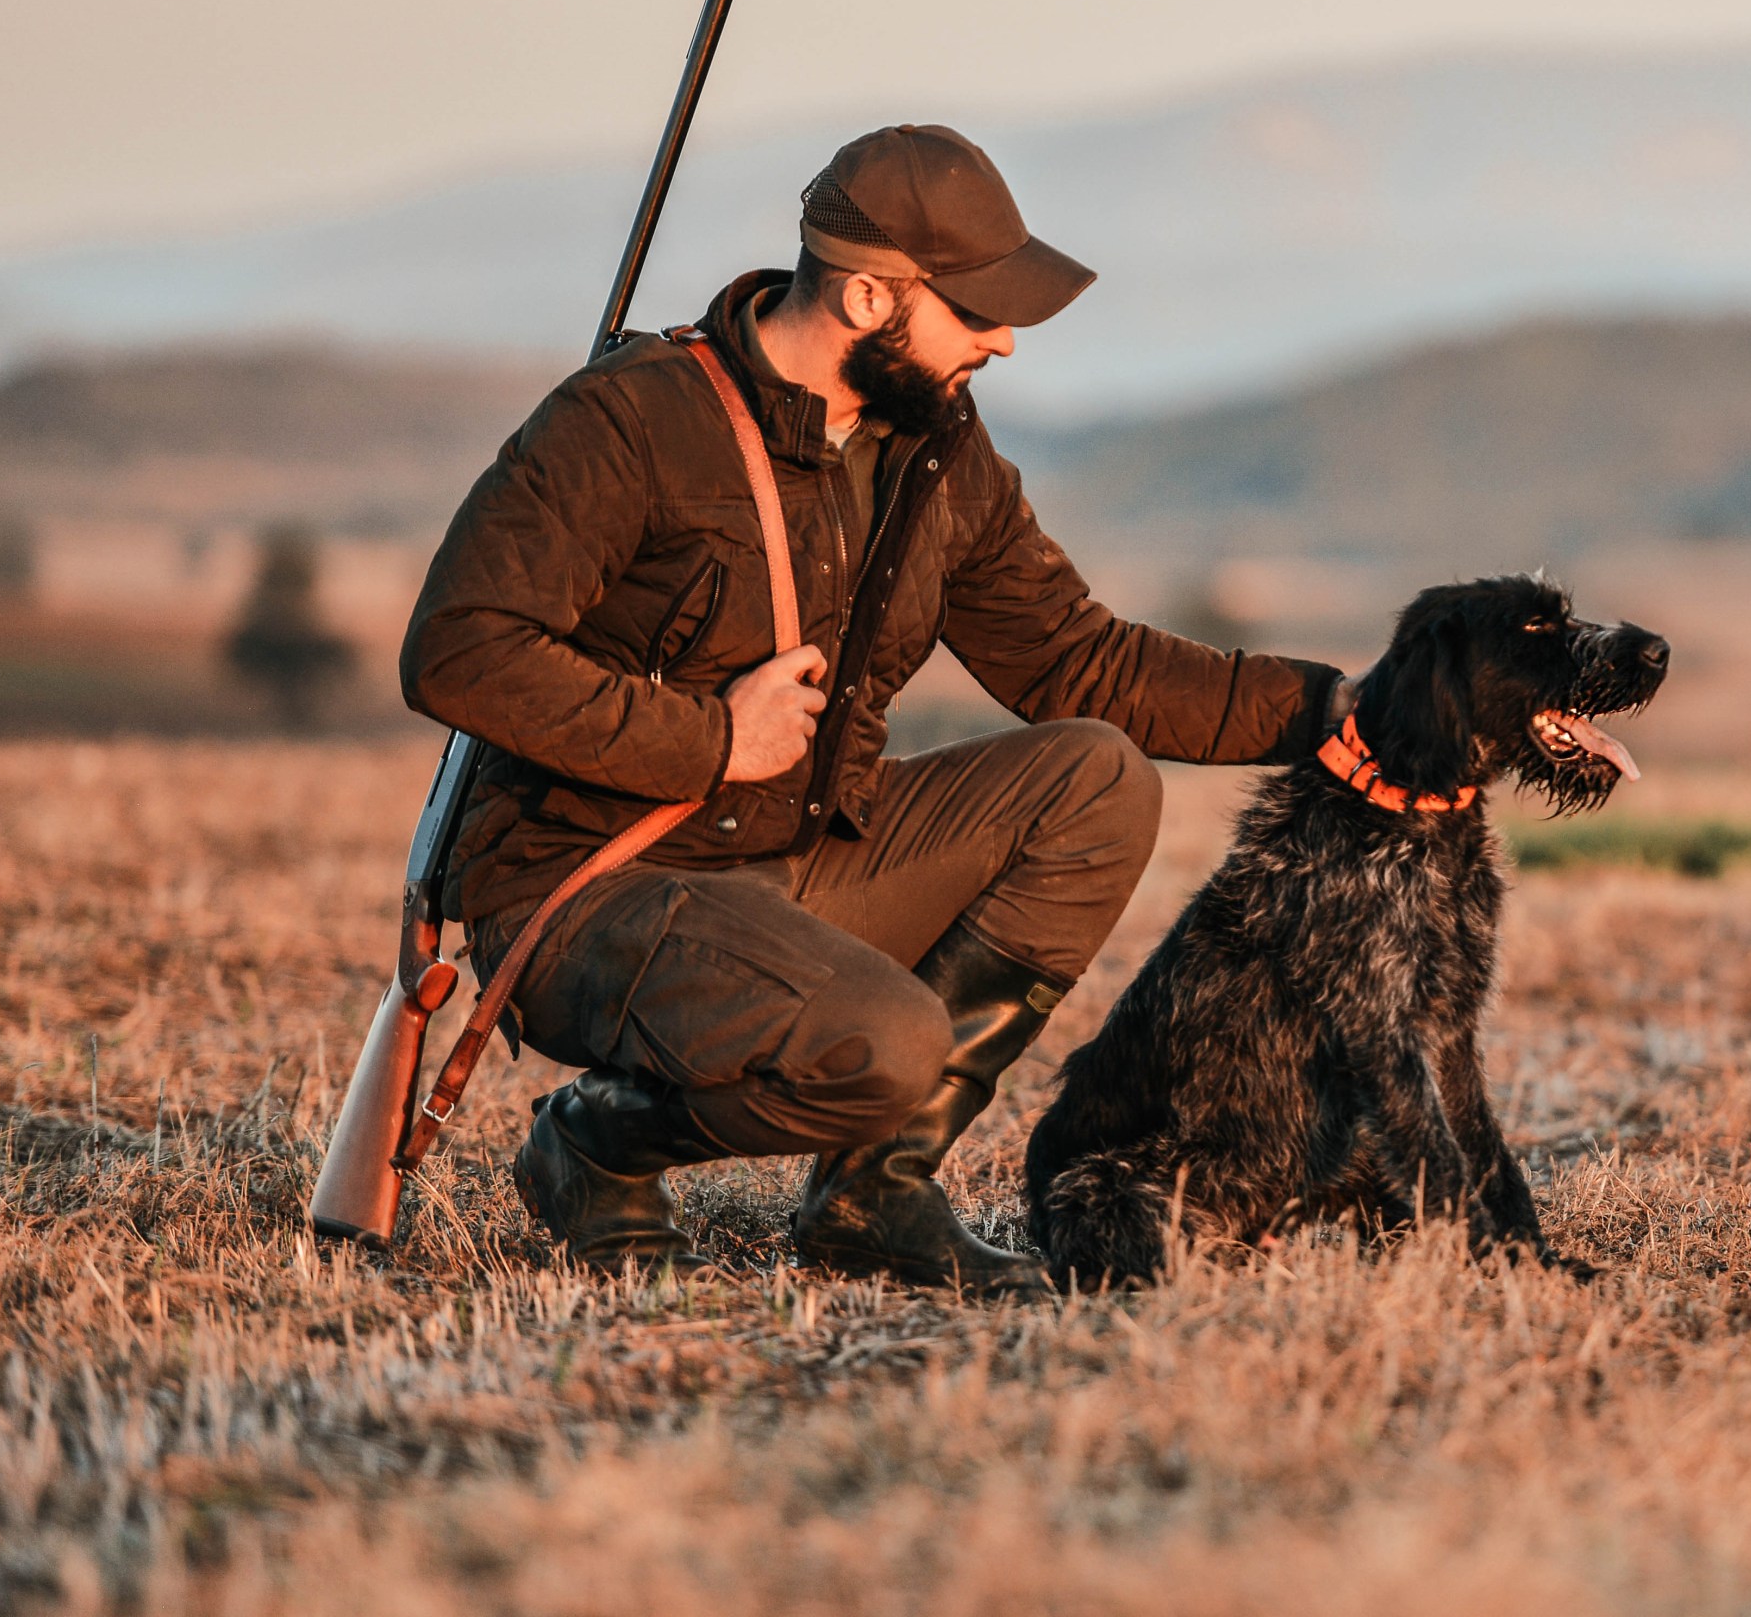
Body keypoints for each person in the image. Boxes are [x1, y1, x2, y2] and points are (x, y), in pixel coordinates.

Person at [401, 124, 1342, 1293]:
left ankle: (872, 1191)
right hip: (592, 882)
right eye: (975, 308)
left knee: (1096, 778)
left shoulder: (936, 446)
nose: (1002, 338)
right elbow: (458, 652)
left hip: (792, 856)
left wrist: (1340, 708)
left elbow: (1080, 661)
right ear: (865, 296)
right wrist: (712, 738)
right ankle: (594, 1142)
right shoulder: (630, 420)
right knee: (892, 1045)